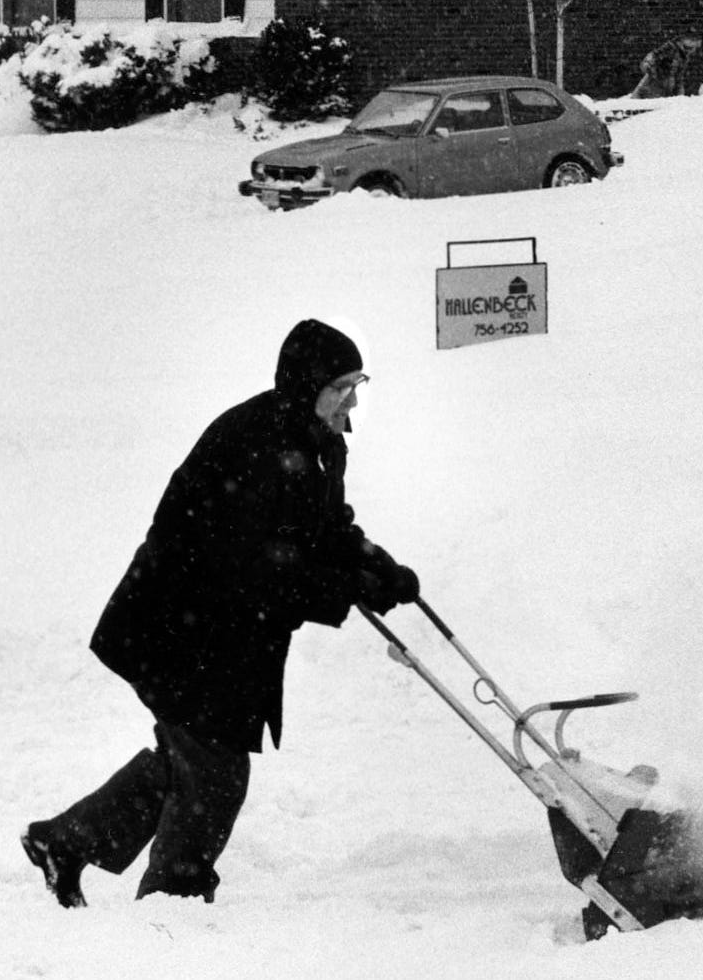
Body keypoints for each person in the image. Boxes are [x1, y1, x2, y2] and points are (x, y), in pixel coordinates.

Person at [21, 319, 422, 907]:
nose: (352, 401)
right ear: (307, 385)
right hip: (175, 628)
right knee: (214, 771)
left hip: (223, 634)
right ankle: (173, 903)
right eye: (341, 387)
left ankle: (66, 841)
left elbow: (322, 529)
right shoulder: (252, 444)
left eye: (357, 384)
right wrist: (341, 589)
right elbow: (255, 566)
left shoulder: (317, 442)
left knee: (191, 760)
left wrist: (376, 566)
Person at [629, 35, 703, 99]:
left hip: (666, 88)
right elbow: (653, 56)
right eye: (691, 48)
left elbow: (679, 77)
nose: (692, 51)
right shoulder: (671, 47)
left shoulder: (684, 57)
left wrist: (680, 95)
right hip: (654, 83)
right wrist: (647, 64)